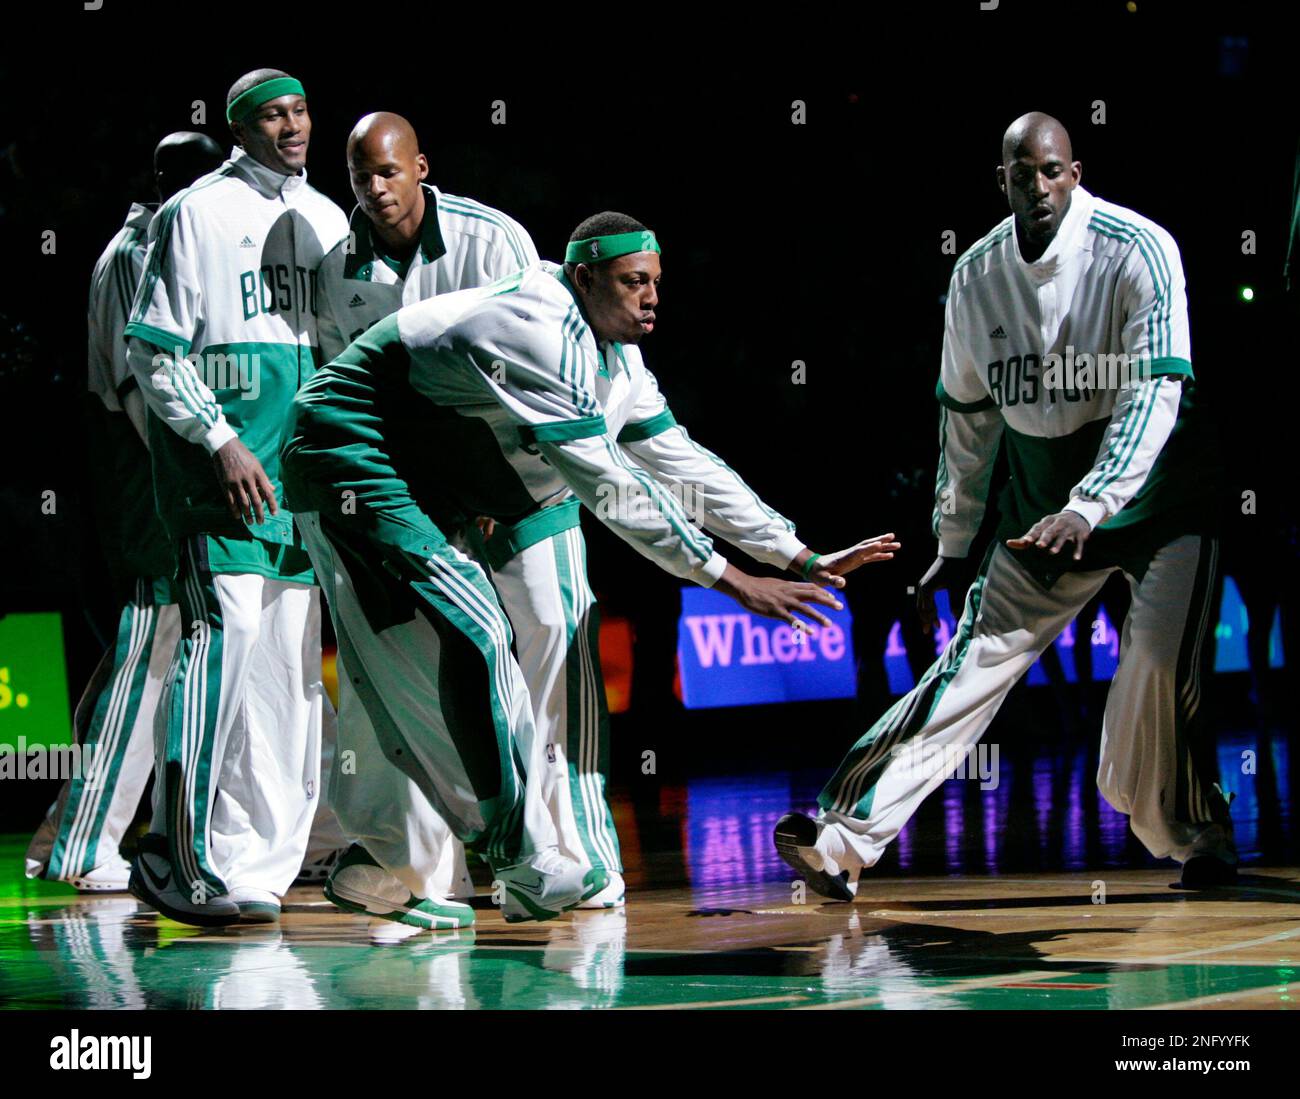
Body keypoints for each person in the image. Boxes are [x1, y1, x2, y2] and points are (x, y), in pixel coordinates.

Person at [281, 212, 896, 935]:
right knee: (474, 632)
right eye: (634, 282)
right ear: (583, 277)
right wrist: (728, 577)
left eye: (657, 283)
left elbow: (683, 463)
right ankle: (521, 856)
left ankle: (383, 867)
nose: (652, 297)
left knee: (432, 664)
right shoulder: (538, 330)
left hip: (433, 480)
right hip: (345, 449)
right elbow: (611, 489)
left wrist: (793, 552)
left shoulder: (619, 361)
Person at [775, 112, 1237, 898]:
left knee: (1160, 667)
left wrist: (1091, 504)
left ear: (1076, 172)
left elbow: (1154, 394)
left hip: (1162, 501)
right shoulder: (976, 274)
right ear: (1003, 182)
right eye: (1023, 173)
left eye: (1053, 170)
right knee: (966, 665)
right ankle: (842, 837)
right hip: (1040, 511)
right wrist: (952, 541)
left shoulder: (1143, 249)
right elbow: (967, 417)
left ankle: (1197, 837)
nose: (1040, 185)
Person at [122, 69, 347, 926]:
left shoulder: (328, 218)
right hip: (223, 477)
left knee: (289, 676)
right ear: (238, 128)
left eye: (300, 110)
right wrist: (220, 441)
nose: (291, 126)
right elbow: (156, 351)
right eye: (272, 116)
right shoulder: (196, 214)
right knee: (225, 645)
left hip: (301, 483)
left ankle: (256, 862)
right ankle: (173, 854)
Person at [304, 111, 537, 905]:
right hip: (390, 494)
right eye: (360, 177)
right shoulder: (339, 270)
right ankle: (403, 861)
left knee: (506, 656)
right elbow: (344, 393)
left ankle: (534, 847)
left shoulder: (492, 241)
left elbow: (528, 371)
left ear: (421, 168)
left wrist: (493, 495)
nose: (374, 190)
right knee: (394, 669)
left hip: (499, 484)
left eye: (388, 173)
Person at [25, 133, 224, 892]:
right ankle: (82, 841)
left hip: (178, 472)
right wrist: (212, 458)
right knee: (153, 644)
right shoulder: (138, 253)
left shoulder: (173, 243)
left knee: (189, 648)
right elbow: (141, 389)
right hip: (151, 474)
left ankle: (63, 830)